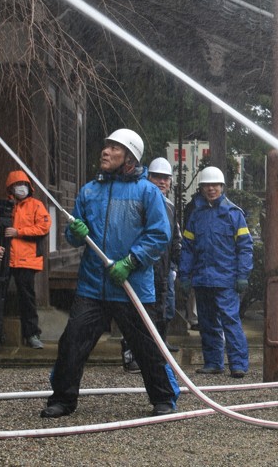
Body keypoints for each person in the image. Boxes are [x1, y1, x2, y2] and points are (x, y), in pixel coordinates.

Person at [41, 128, 177, 418]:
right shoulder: (90, 190)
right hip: (93, 285)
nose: (106, 151)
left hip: (134, 285)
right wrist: (75, 232)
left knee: (147, 346)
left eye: (115, 148)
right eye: (106, 146)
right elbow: (74, 235)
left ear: (129, 157)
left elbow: (159, 234)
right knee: (72, 341)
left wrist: (131, 261)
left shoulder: (147, 191)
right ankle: (63, 399)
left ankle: (164, 398)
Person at [178, 165, 254, 378]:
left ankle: (238, 364)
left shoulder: (233, 214)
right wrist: (184, 275)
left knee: (230, 321)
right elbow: (188, 247)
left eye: (215, 185)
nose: (211, 189)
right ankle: (213, 362)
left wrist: (242, 275)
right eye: (207, 185)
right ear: (201, 188)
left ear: (222, 187)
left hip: (226, 279)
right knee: (207, 322)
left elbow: (245, 247)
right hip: (202, 279)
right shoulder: (196, 215)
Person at [121, 157, 183, 372]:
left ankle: (157, 350)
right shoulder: (139, 201)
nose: (162, 182)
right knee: (138, 312)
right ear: (148, 177)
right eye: (157, 177)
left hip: (164, 269)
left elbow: (175, 238)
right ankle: (131, 355)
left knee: (163, 311)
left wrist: (176, 265)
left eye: (166, 178)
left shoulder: (170, 206)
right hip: (142, 266)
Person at [0, 170, 52, 352]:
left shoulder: (36, 206)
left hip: (26, 260)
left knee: (27, 298)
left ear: (29, 187)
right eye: (17, 185)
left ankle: (32, 334)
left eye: (24, 184)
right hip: (2, 259)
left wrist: (18, 232)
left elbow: (43, 226)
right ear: (10, 188)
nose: (21, 188)